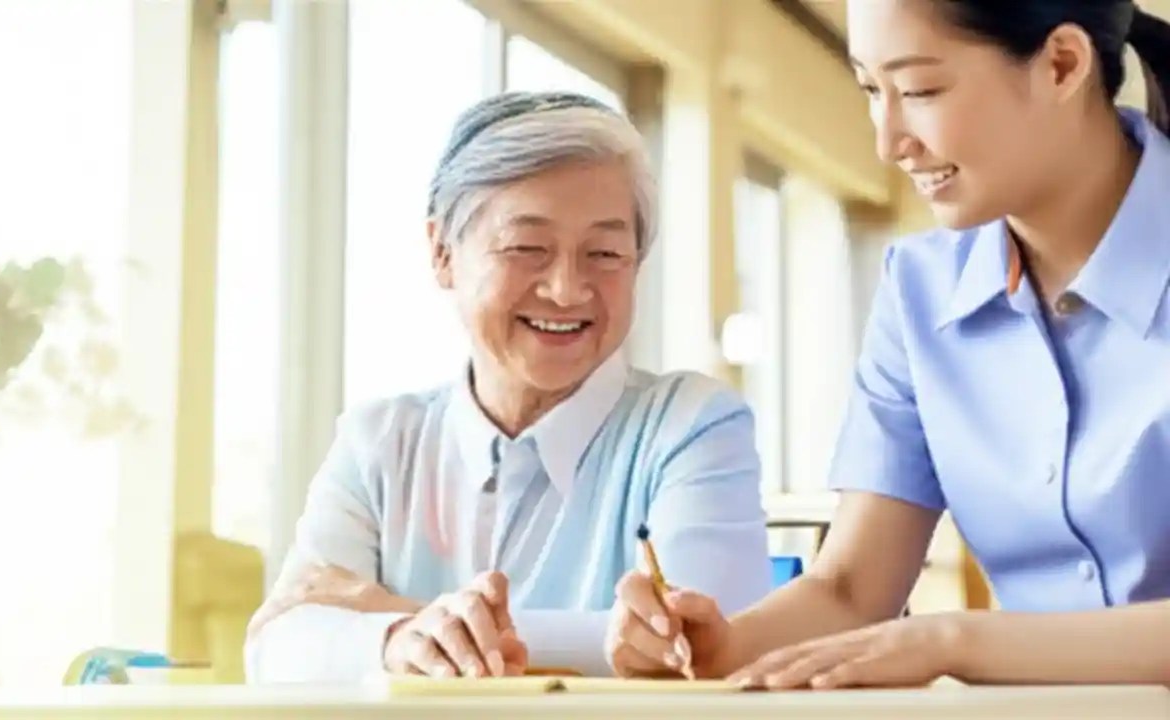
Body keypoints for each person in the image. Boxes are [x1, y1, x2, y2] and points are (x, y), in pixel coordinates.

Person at [606, 0, 1170, 689]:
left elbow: (937, 637)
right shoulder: (921, 290)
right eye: (873, 91)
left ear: (1061, 65)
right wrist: (718, 645)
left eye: (920, 91)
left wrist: (957, 640)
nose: (888, 140)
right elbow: (849, 590)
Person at [245, 91, 772, 684]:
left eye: (604, 252)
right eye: (527, 248)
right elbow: (275, 645)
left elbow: (703, 641)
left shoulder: (692, 425)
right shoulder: (380, 442)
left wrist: (390, 620)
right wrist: (399, 637)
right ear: (443, 253)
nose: (568, 289)